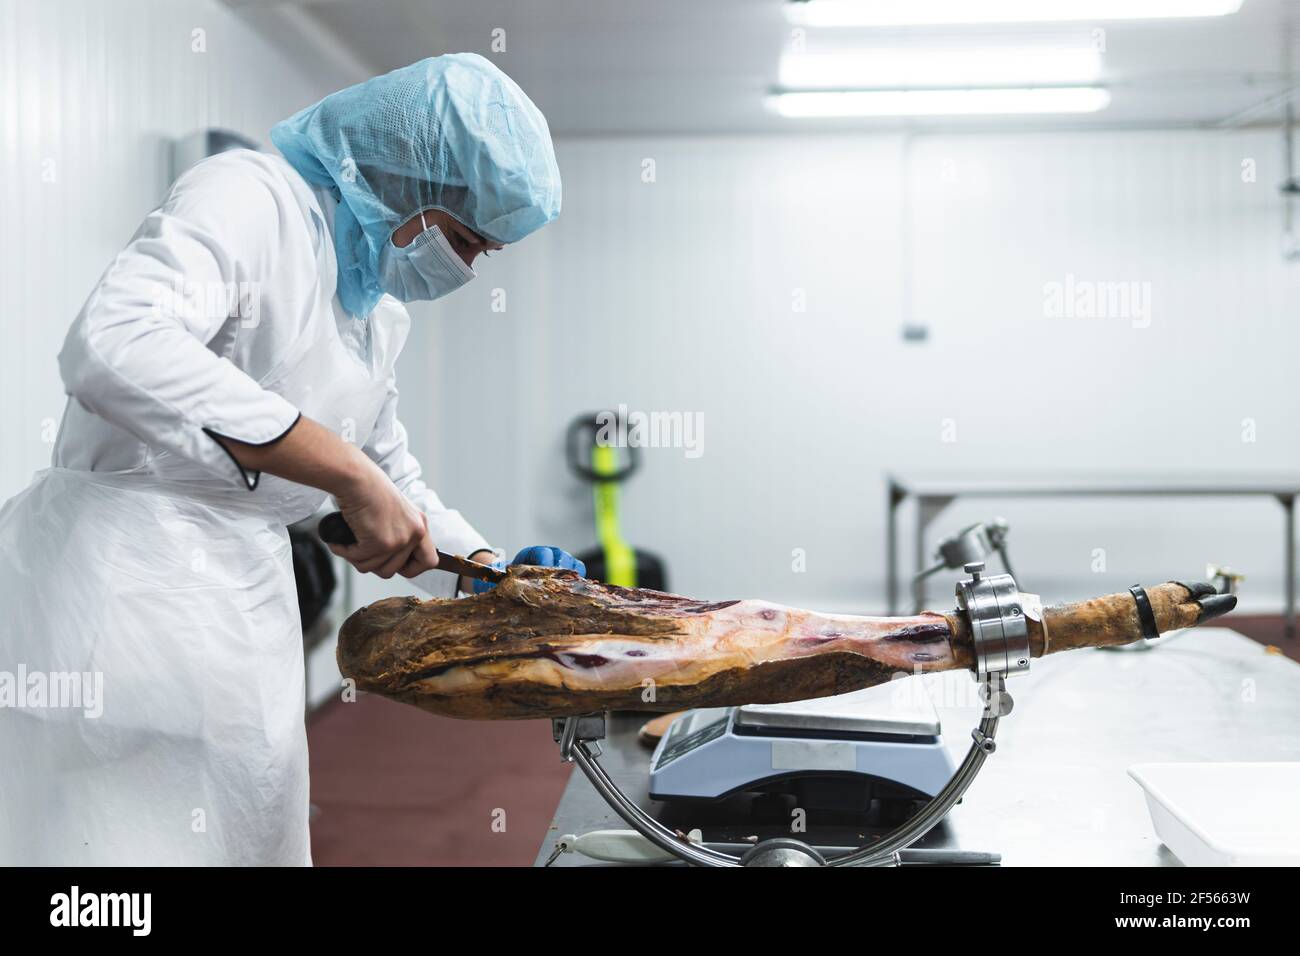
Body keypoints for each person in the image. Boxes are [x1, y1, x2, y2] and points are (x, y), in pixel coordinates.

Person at [0, 54, 583, 866]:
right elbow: (115, 342)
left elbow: (390, 471)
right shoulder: (250, 196)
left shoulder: (373, 310)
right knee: (116, 864)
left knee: (242, 840)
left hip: (242, 610)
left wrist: (486, 569)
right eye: (464, 240)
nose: (469, 268)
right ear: (408, 179)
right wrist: (344, 473)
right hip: (118, 595)